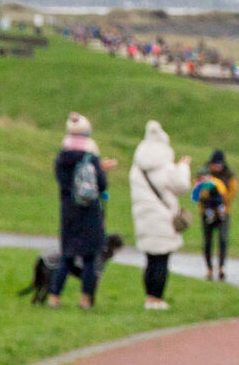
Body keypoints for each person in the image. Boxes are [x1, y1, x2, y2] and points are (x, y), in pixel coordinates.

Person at [50, 113, 118, 308]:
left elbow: (63, 182)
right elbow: (102, 185)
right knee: (89, 257)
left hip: (68, 210)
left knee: (67, 256)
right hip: (89, 211)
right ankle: (85, 299)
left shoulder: (61, 158)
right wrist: (101, 171)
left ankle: (54, 297)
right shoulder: (91, 157)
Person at [128, 120, 192, 311]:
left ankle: (149, 297)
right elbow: (182, 186)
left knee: (150, 261)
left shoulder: (136, 170)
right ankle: (157, 298)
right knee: (161, 261)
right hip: (163, 220)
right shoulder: (166, 168)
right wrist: (183, 167)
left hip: (143, 218)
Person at [191, 149, 238, 281]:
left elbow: (233, 190)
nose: (217, 166)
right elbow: (197, 190)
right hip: (206, 212)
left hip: (223, 212)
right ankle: (209, 268)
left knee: (223, 239)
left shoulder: (229, 175)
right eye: (215, 164)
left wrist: (222, 200)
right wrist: (206, 197)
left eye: (219, 164)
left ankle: (221, 267)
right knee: (207, 241)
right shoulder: (203, 173)